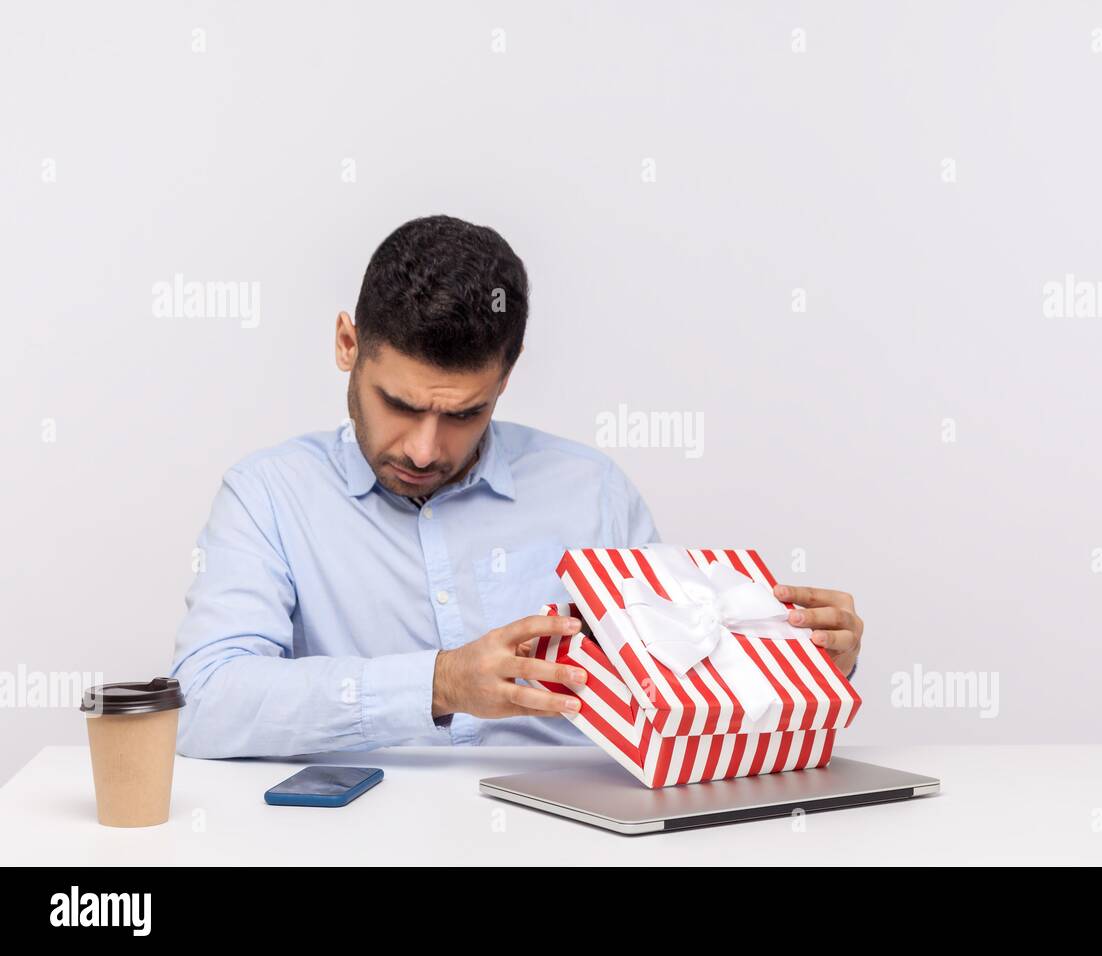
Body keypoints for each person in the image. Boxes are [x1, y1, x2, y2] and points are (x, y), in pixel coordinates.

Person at [169, 214, 861, 758]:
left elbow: (678, 688)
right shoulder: (267, 496)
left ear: (509, 371)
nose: (424, 447)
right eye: (401, 405)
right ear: (348, 344)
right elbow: (204, 704)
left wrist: (792, 661)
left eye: (465, 413)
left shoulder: (591, 491)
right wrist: (437, 684)